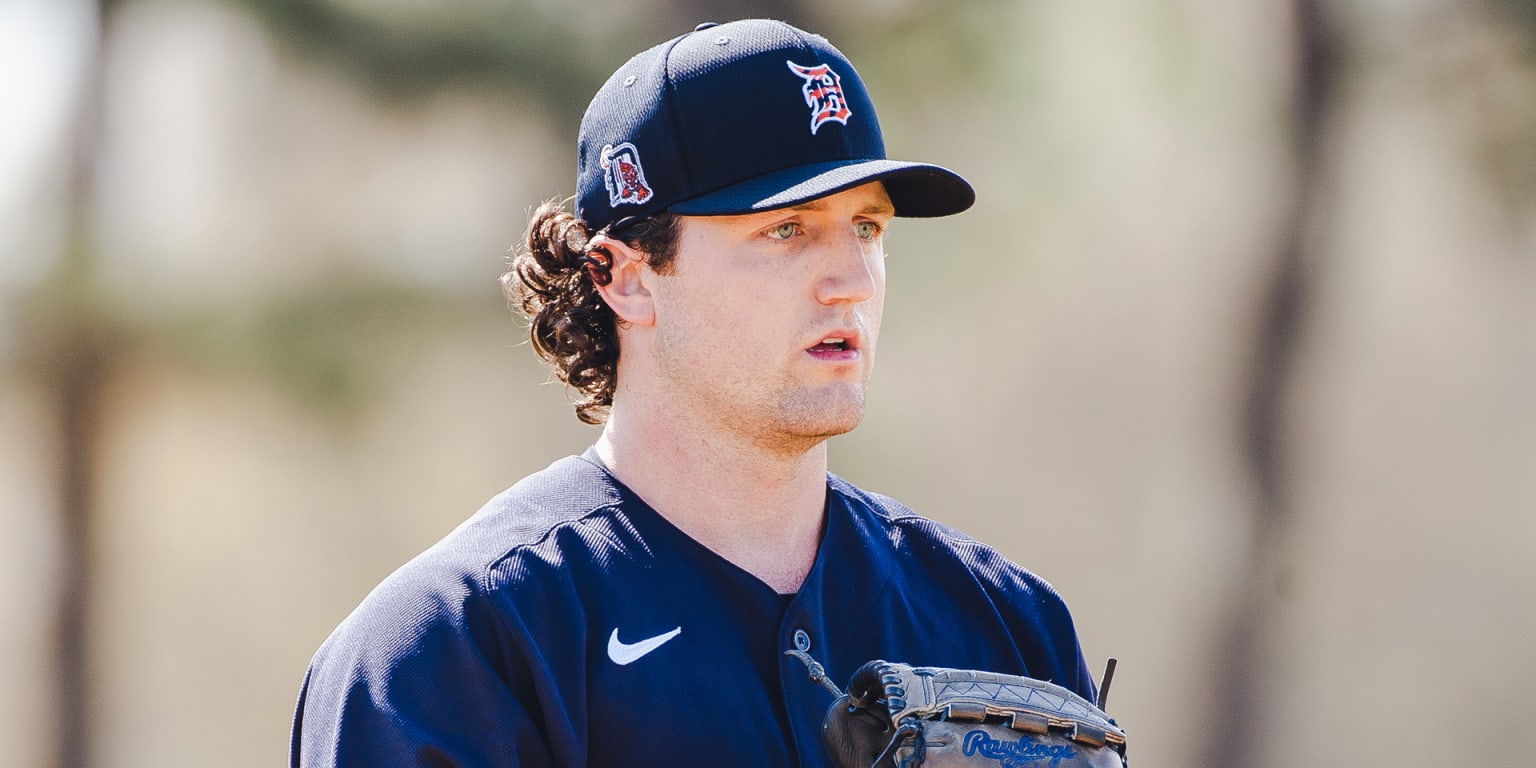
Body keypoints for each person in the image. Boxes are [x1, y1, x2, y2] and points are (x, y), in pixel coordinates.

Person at [290, 18, 1097, 767]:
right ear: (627, 278)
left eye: (868, 228)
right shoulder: (453, 652)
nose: (852, 281)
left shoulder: (1003, 622)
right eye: (785, 229)